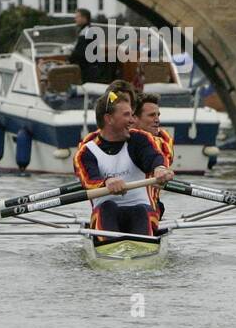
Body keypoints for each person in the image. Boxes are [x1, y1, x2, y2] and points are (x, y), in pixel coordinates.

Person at [73, 90, 174, 237]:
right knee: (106, 208)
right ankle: (111, 250)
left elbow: (153, 157)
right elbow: (89, 181)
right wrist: (107, 182)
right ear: (109, 119)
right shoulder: (86, 152)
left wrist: (160, 169)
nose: (133, 121)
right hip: (105, 213)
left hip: (142, 213)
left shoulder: (140, 139)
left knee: (140, 210)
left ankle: (141, 251)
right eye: (127, 115)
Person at [69, 8, 116, 84]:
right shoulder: (89, 30)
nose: (75, 19)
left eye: (77, 17)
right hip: (93, 67)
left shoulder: (85, 32)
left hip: (88, 70)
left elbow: (79, 53)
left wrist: (69, 60)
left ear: (84, 18)